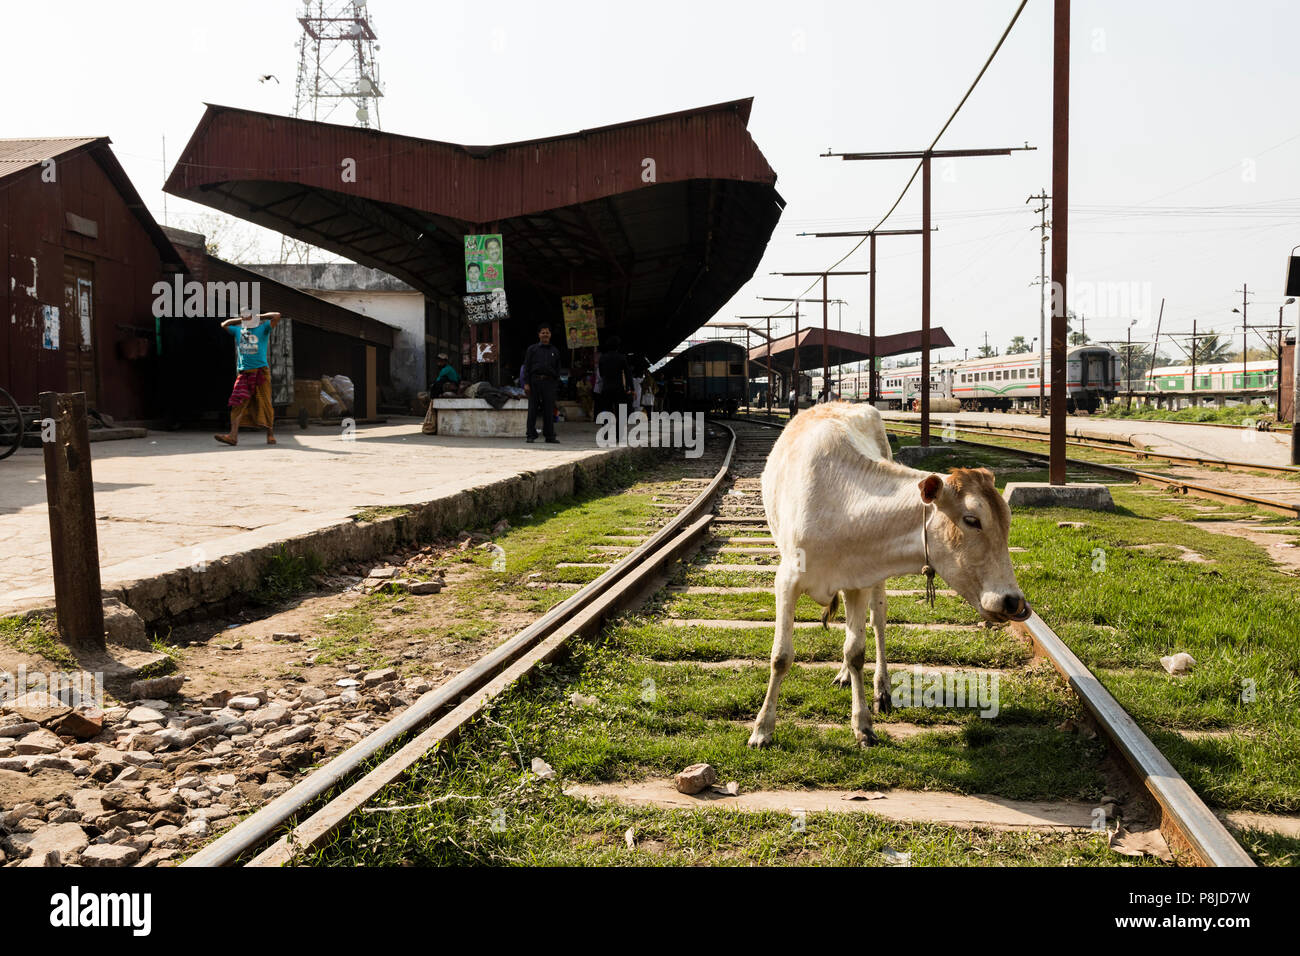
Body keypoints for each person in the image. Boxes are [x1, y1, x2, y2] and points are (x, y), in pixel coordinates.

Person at [216, 309, 282, 446]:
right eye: (245, 318)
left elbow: (277, 315)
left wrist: (258, 316)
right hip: (244, 373)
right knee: (237, 404)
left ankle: (270, 435)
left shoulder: (263, 329)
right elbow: (224, 324)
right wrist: (241, 319)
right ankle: (232, 436)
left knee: (265, 403)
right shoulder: (238, 331)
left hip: (260, 372)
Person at [522, 321, 562, 443]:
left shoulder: (555, 351)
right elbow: (527, 367)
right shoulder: (532, 349)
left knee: (549, 410)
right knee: (533, 409)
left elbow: (558, 369)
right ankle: (530, 435)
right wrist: (526, 383)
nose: (545, 334)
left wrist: (555, 384)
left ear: (550, 335)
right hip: (534, 382)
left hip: (549, 383)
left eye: (547, 332)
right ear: (539, 334)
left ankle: (550, 436)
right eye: (543, 332)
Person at [596, 335, 632, 418]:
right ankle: (620, 430)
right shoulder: (622, 358)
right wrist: (629, 388)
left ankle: (607, 429)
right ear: (618, 346)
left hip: (606, 388)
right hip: (619, 389)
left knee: (607, 411)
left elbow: (601, 374)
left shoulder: (602, 358)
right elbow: (627, 374)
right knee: (621, 413)